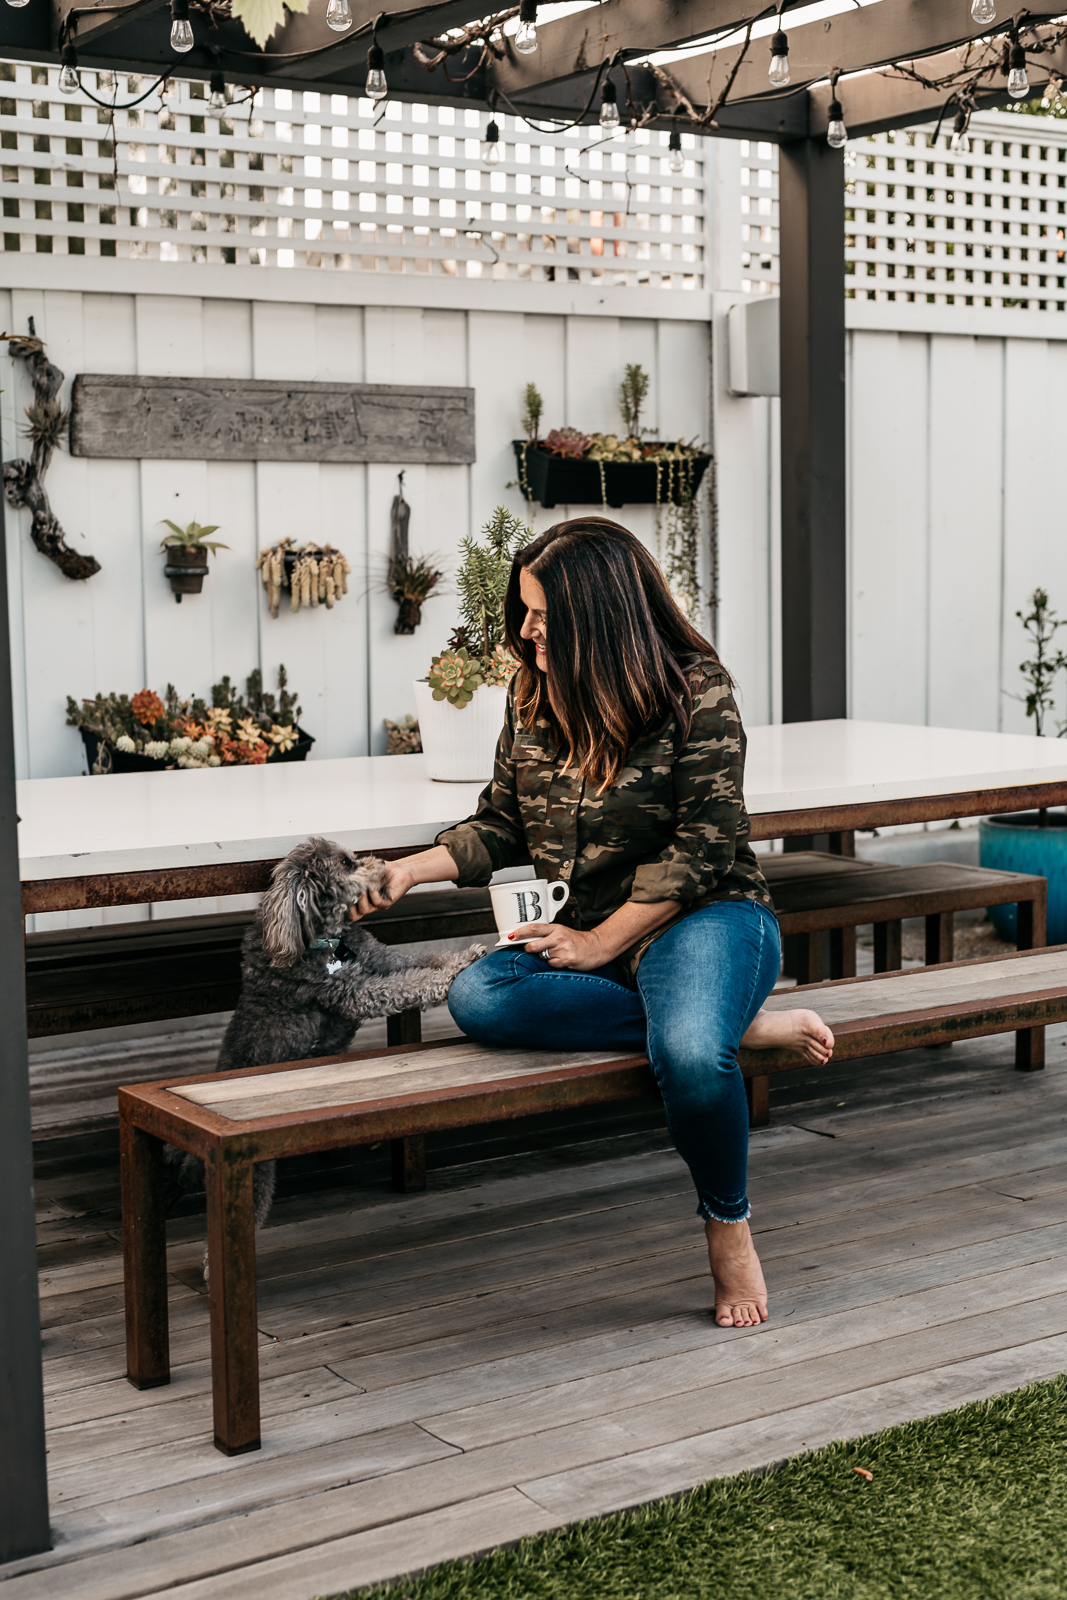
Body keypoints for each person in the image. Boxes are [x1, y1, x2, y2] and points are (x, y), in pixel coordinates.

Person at [350, 517, 833, 1328]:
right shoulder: (531, 692)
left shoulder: (695, 690)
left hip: (704, 916)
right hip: (588, 930)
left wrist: (600, 944)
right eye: (524, 610)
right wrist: (406, 870)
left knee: (685, 1058)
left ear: (601, 615)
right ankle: (735, 1032)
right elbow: (499, 825)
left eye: (543, 614)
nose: (527, 629)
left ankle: (726, 1222)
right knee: (480, 998)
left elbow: (705, 848)